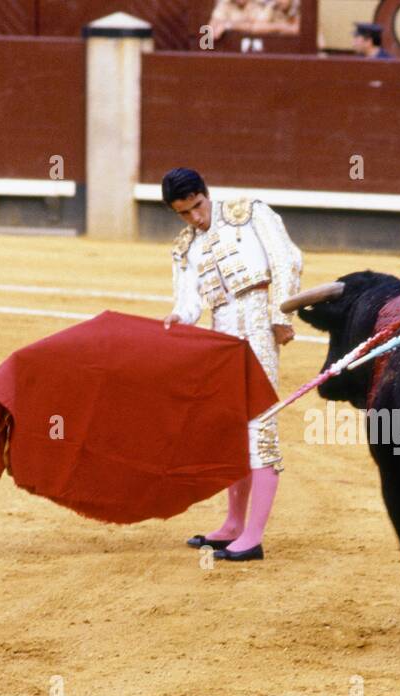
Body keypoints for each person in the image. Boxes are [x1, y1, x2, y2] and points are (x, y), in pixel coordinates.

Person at [162, 168, 302, 562]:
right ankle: (233, 525)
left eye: (197, 207)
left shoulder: (248, 211)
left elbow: (286, 258)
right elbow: (189, 300)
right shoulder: (185, 246)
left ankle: (253, 536)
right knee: (230, 428)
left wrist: (281, 315)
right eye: (184, 214)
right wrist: (178, 316)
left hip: (258, 323)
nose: (195, 218)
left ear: (207, 194)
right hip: (221, 331)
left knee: (259, 424)